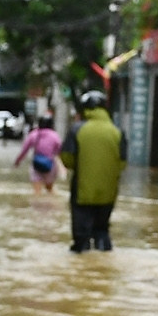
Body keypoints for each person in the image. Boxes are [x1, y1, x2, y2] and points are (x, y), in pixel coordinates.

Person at [59, 90, 126, 252]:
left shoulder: (77, 129)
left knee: (81, 239)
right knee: (102, 231)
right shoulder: (117, 132)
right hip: (108, 194)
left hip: (82, 192)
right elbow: (122, 163)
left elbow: (67, 159)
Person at [13, 114, 62, 194]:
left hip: (37, 165)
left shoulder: (33, 134)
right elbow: (59, 151)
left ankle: (37, 205)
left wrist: (17, 161)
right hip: (50, 165)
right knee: (50, 189)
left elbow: (24, 150)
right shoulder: (55, 136)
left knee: (37, 191)